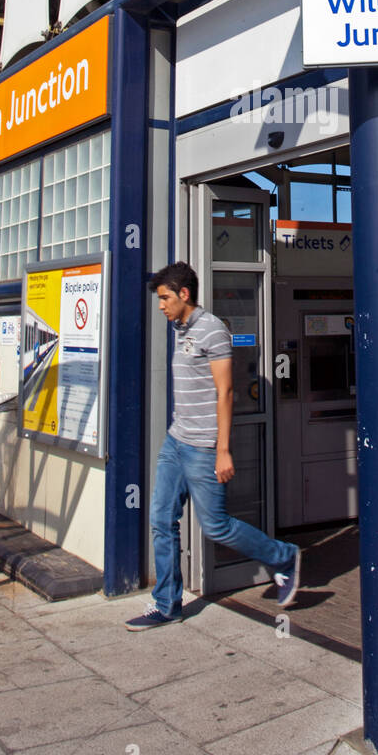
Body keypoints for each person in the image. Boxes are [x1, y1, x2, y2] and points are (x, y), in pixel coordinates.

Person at [126, 261, 300, 630]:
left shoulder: (213, 330)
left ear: (184, 294)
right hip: (176, 441)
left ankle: (284, 556)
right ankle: (167, 604)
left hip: (204, 447)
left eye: (165, 298)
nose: (161, 306)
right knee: (161, 520)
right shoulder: (179, 328)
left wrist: (223, 449)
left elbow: (226, 391)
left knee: (215, 525)